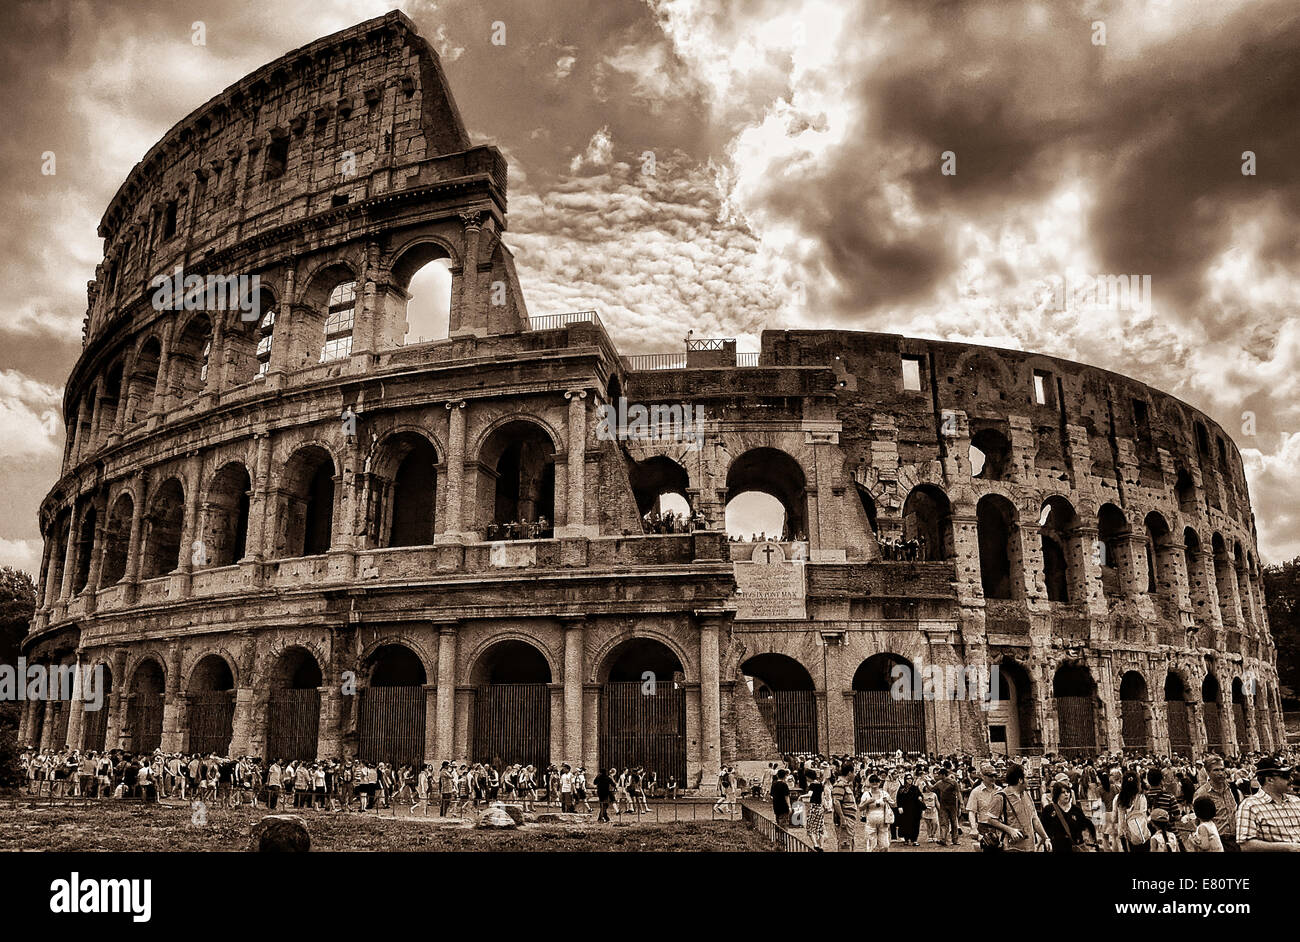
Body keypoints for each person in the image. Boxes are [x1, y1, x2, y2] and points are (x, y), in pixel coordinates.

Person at [1236, 757, 1300, 852]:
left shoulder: (1296, 801)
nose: (1291, 779)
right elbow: (1246, 845)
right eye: (1285, 776)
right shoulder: (1250, 806)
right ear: (1270, 780)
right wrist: (1288, 847)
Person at [1195, 755, 1239, 851]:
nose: (1220, 773)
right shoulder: (1202, 793)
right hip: (1217, 841)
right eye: (1216, 770)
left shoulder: (1232, 789)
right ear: (1208, 772)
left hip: (1236, 840)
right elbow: (1198, 821)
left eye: (1222, 770)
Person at [1002, 763, 1050, 852]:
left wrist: (1045, 838)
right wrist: (1010, 830)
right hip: (1012, 848)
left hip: (1029, 846)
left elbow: (1035, 819)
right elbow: (990, 819)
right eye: (1026, 778)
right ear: (1020, 780)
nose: (1028, 780)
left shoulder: (1026, 794)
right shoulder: (1001, 796)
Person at [1040, 780, 1097, 852]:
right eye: (1063, 792)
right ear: (1057, 794)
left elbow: (1084, 826)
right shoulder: (1049, 810)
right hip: (1056, 847)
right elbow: (1043, 827)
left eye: (1068, 792)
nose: (1066, 794)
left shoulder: (1076, 810)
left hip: (1074, 847)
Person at [861, 774, 895, 852]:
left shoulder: (884, 793)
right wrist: (867, 802)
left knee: (885, 845)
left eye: (876, 781)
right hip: (870, 822)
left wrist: (888, 801)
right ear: (869, 783)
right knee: (871, 846)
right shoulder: (866, 794)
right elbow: (860, 807)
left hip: (883, 822)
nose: (874, 783)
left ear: (879, 783)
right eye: (872, 781)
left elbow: (893, 805)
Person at [832, 763, 859, 853]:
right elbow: (836, 802)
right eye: (854, 772)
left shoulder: (845, 784)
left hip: (849, 819)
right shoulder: (840, 784)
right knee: (845, 844)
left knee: (849, 842)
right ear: (849, 773)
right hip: (845, 819)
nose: (854, 775)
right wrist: (842, 818)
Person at [934, 767, 961, 846]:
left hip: (952, 805)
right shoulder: (939, 783)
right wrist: (926, 781)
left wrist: (961, 803)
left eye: (939, 775)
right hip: (944, 805)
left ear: (943, 775)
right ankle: (943, 839)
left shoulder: (953, 782)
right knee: (944, 822)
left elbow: (958, 792)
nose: (938, 776)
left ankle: (955, 840)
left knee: (954, 822)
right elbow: (932, 788)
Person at [803, 770, 827, 851]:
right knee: (820, 828)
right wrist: (824, 806)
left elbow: (810, 795)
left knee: (810, 827)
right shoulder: (820, 784)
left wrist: (801, 796)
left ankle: (815, 845)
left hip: (814, 807)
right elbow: (822, 797)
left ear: (809, 777)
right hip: (820, 807)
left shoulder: (812, 785)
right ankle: (821, 846)